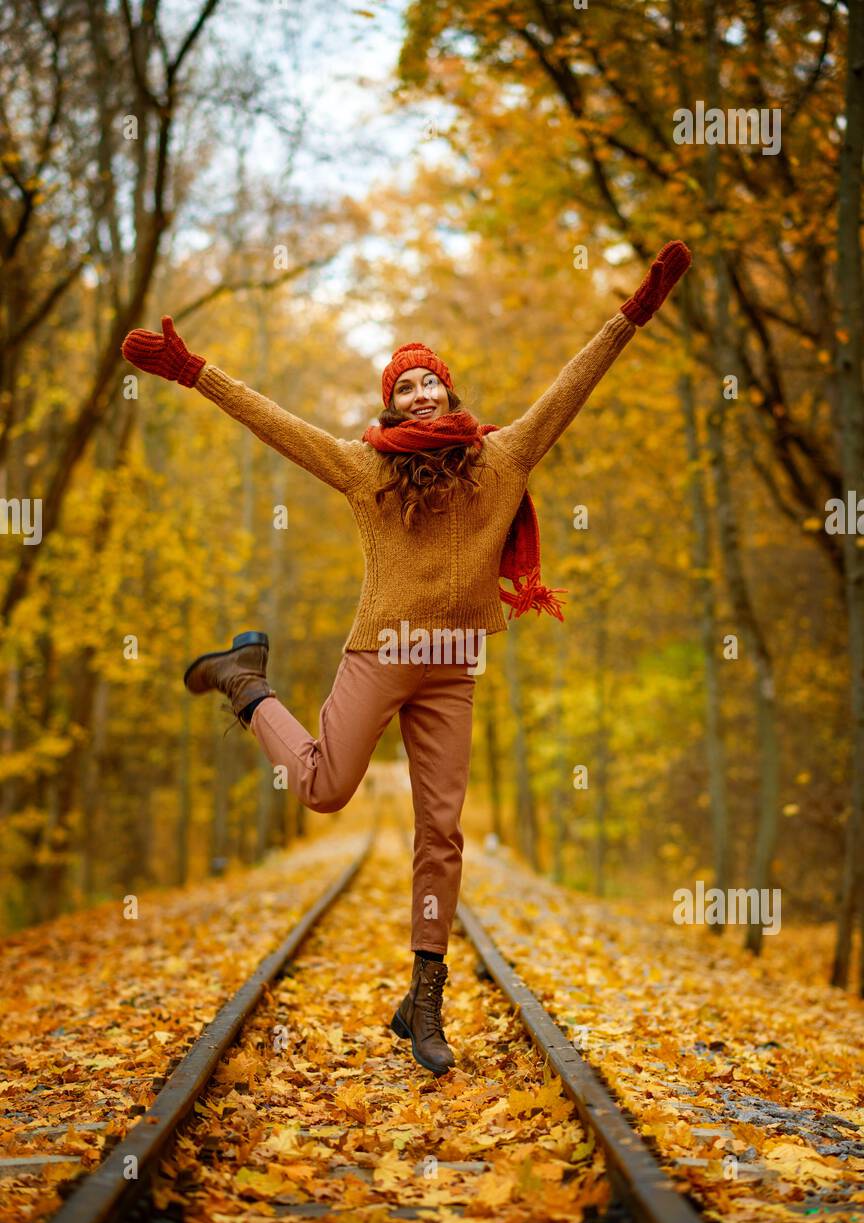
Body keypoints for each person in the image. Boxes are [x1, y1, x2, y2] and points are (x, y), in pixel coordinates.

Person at [121, 239, 692, 1076]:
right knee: (323, 788)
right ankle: (245, 683)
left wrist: (635, 310)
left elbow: (575, 383)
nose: (421, 391)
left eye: (430, 380)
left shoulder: (502, 458)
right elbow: (278, 425)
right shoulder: (366, 471)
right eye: (404, 386)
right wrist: (194, 371)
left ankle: (425, 1000)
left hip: (455, 666)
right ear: (392, 406)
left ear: (449, 389)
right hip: (380, 654)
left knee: (443, 832)